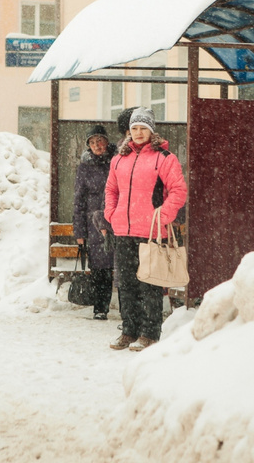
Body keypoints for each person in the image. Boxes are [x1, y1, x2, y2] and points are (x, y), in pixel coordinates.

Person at [105, 107, 187, 352]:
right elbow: (111, 190)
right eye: (134, 128)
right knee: (127, 284)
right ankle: (129, 331)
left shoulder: (164, 158)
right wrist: (111, 213)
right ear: (129, 131)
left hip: (151, 231)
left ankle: (150, 334)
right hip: (123, 230)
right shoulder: (118, 159)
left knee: (149, 284)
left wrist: (162, 215)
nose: (138, 133)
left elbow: (178, 191)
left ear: (151, 131)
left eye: (143, 128)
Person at [73, 125, 117, 320]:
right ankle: (100, 308)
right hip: (93, 224)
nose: (97, 145)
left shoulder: (117, 162)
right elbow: (79, 201)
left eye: (100, 141)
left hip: (116, 218)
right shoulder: (85, 168)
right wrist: (80, 233)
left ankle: (128, 311)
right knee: (99, 267)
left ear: (107, 142)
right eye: (92, 142)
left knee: (122, 266)